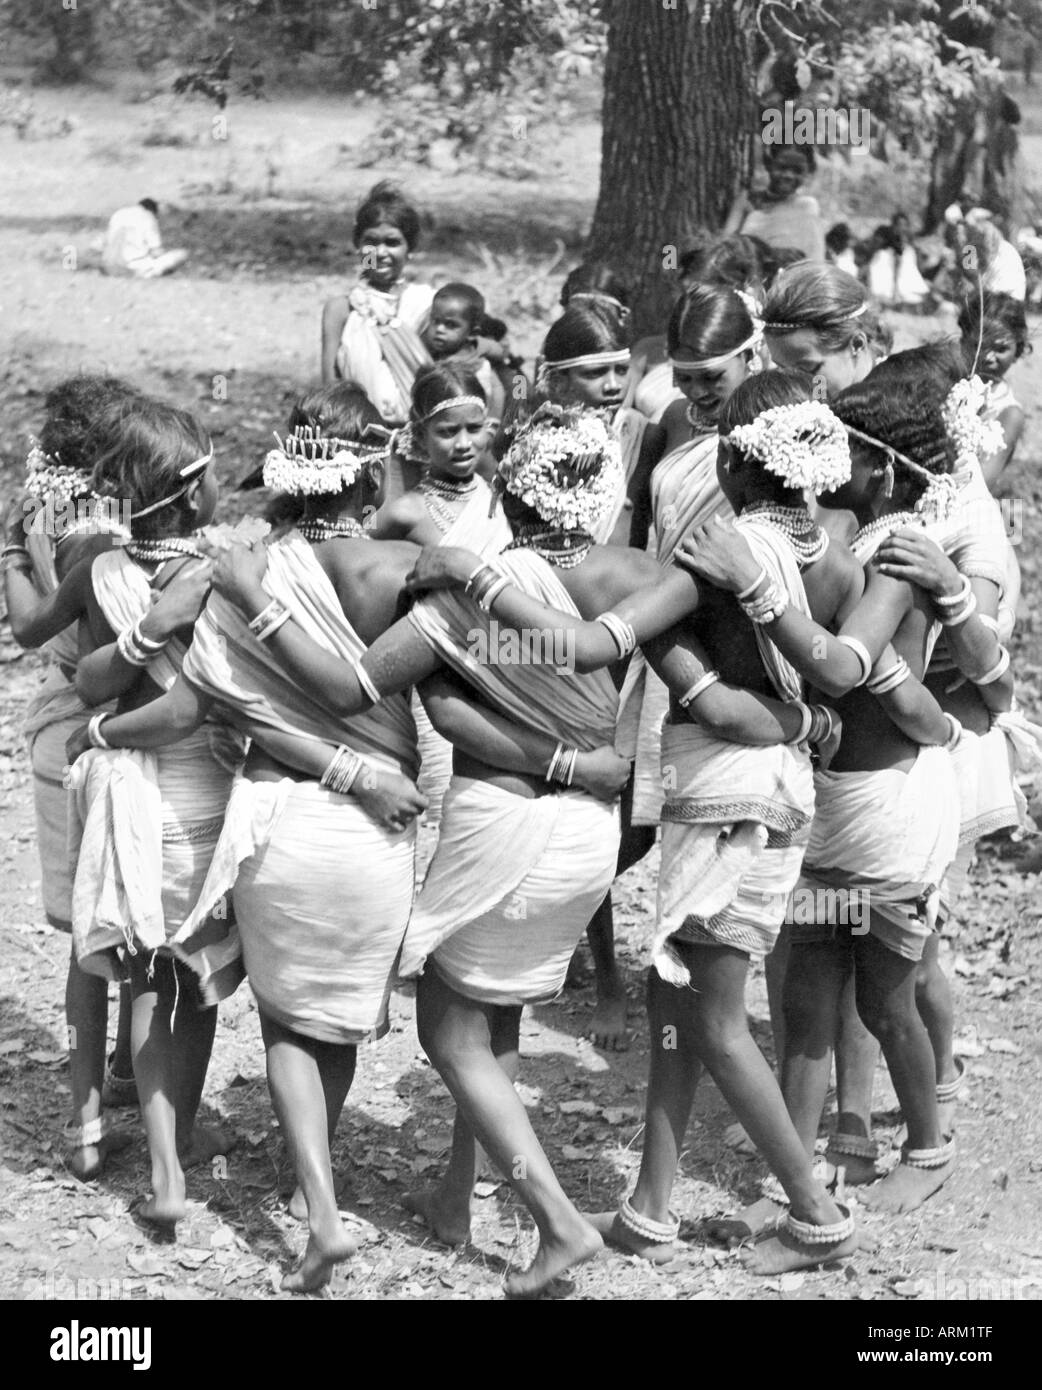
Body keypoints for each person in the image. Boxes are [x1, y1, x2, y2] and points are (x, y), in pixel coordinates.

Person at [406, 374, 953, 1271]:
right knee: (676, 997)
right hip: (787, 792)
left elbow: (585, 646)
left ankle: (814, 1212)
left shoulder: (717, 556)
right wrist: (807, 717)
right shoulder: (844, 557)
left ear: (736, 465)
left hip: (720, 793)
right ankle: (652, 1205)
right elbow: (847, 673)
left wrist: (473, 574)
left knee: (717, 1015)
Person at [207, 405, 647, 1296]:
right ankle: (459, 1197)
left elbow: (337, 690)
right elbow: (518, 674)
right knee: (491, 1012)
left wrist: (254, 590)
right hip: (553, 830)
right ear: (374, 480)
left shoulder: (249, 574)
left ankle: (506, 1216)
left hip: (309, 814)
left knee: (343, 1022)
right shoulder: (435, 573)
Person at [678, 363, 976, 1218]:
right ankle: (800, 1172)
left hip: (888, 809)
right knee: (808, 991)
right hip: (827, 804)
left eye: (840, 446)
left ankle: (928, 1145)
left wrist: (758, 590)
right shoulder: (830, 534)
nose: (823, 459)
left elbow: (842, 665)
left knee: (886, 999)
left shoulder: (899, 556)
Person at [63, 398, 242, 1228]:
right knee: (194, 981)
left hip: (132, 798)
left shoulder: (104, 570)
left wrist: (98, 721)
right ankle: (181, 1144)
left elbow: (92, 683)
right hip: (198, 795)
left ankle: (167, 1167)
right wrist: (165, 624)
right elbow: (189, 709)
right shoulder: (212, 570)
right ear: (191, 492)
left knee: (145, 976)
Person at [1, 376, 139, 1178]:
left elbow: (25, 627)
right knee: (127, 928)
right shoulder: (110, 524)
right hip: (118, 724)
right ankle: (106, 1094)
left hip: (64, 721)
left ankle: (95, 1106)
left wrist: (14, 548)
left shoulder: (42, 513)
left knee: (91, 933)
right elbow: (34, 627)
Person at [320, 181, 434, 424]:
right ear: (358, 246)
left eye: (392, 243)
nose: (380, 253)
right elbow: (330, 387)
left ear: (409, 249)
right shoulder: (342, 309)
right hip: (358, 432)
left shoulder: (427, 304)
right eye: (371, 242)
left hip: (421, 433)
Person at [958, 291, 1028, 486]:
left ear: (1018, 350)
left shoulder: (1009, 413)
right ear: (963, 341)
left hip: (984, 503)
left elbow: (982, 482)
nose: (988, 357)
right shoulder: (950, 386)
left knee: (1012, 507)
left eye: (1000, 349)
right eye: (980, 345)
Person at [420, 283, 505, 419]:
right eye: (435, 321)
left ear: (472, 333)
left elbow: (497, 393)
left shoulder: (479, 366)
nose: (440, 329)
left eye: (451, 325)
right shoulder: (427, 355)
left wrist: (492, 423)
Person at [731, 145, 826, 263]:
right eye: (782, 168)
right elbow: (725, 245)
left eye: (798, 171)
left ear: (808, 171)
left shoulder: (806, 207)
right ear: (768, 163)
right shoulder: (747, 200)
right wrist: (767, 252)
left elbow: (814, 260)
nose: (788, 175)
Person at [102, 198, 188, 279]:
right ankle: (147, 273)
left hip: (109, 265)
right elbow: (157, 252)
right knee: (182, 254)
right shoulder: (149, 217)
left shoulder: (118, 213)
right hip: (133, 267)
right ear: (153, 211)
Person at [867, 214, 931, 309]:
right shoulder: (883, 249)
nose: (902, 228)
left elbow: (916, 268)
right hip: (887, 282)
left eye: (905, 225)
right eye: (899, 224)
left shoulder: (910, 248)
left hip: (904, 283)